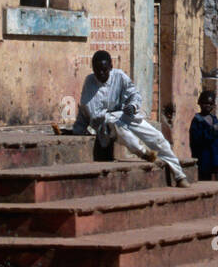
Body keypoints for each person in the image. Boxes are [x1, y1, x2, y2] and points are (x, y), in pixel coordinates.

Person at [71, 50, 188, 186]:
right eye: (97, 70)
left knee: (157, 138)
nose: (101, 74)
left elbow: (134, 94)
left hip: (126, 115)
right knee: (117, 126)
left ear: (110, 67)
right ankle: (143, 153)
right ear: (93, 69)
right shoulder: (89, 82)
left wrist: (132, 106)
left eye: (104, 70)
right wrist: (78, 129)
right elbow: (88, 111)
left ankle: (179, 175)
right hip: (106, 122)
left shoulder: (119, 76)